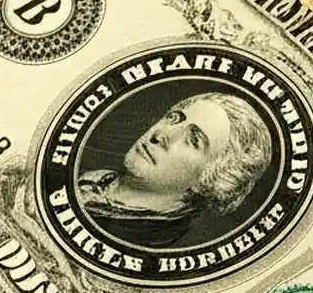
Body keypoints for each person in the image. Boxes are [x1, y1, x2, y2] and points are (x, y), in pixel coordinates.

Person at [76, 91, 272, 248]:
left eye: (193, 140)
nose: (161, 134)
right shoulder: (93, 177)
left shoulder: (143, 243)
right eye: (174, 118)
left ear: (213, 181)